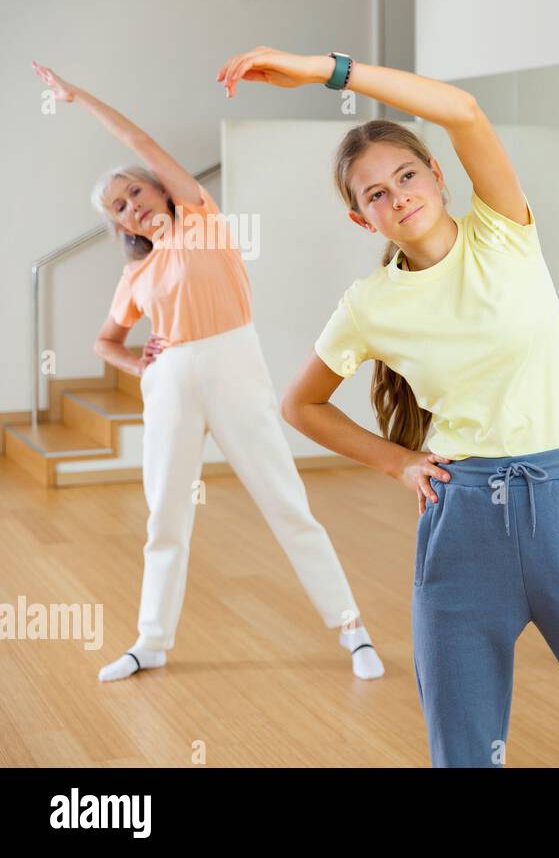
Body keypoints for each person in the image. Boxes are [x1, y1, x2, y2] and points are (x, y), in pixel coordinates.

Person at [217, 45, 559, 767]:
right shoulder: (369, 306)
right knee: (465, 758)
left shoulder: (503, 229)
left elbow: (463, 111)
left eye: (406, 174)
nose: (397, 194)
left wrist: (324, 72)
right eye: (374, 193)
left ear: (438, 177)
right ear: (360, 220)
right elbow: (301, 403)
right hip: (465, 525)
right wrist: (400, 462)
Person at [29, 61, 382, 684]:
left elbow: (139, 144)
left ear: (160, 189)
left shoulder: (200, 216)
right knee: (165, 516)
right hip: (171, 384)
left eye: (135, 192)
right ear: (119, 226)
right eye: (119, 208)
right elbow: (105, 340)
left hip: (233, 362)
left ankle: (352, 629)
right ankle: (151, 641)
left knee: (285, 501)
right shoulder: (135, 274)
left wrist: (78, 96)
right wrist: (143, 364)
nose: (131, 207)